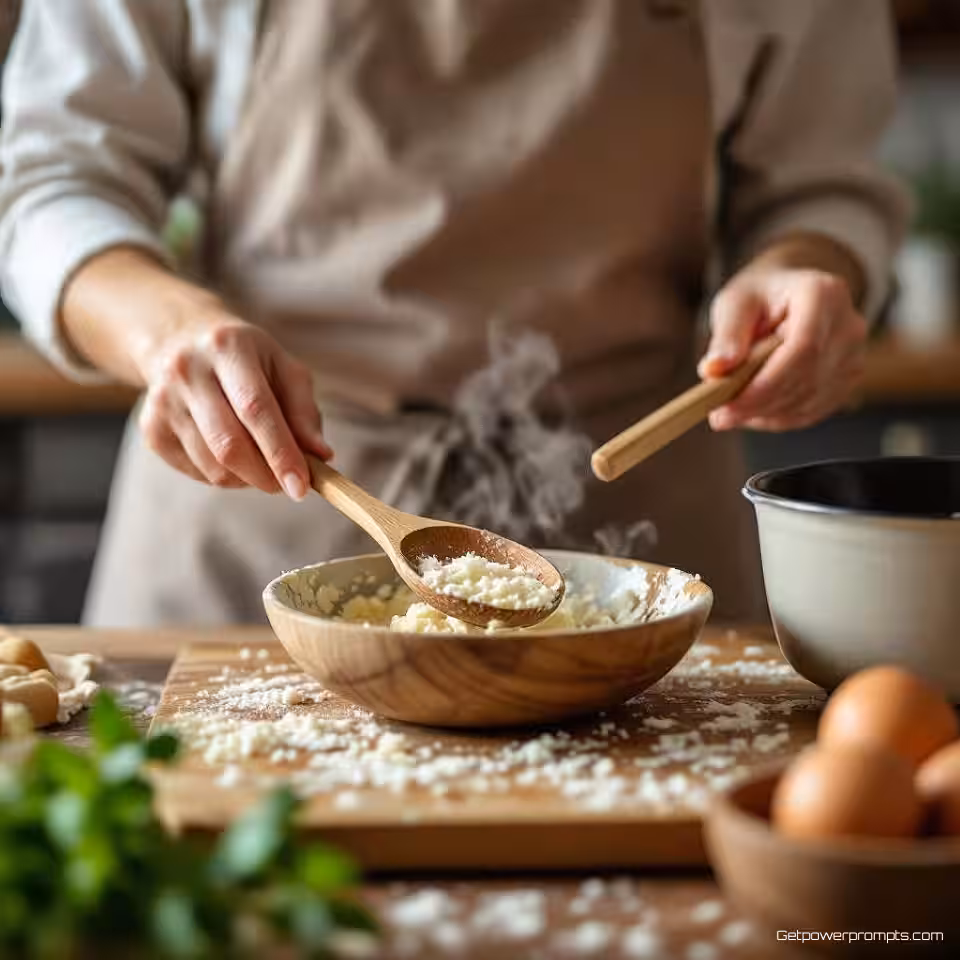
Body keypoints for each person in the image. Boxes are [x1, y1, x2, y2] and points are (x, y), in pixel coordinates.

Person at [0, 1, 907, 626]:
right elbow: (53, 179)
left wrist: (803, 266)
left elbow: (821, 183)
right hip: (260, 500)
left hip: (634, 516)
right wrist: (170, 332)